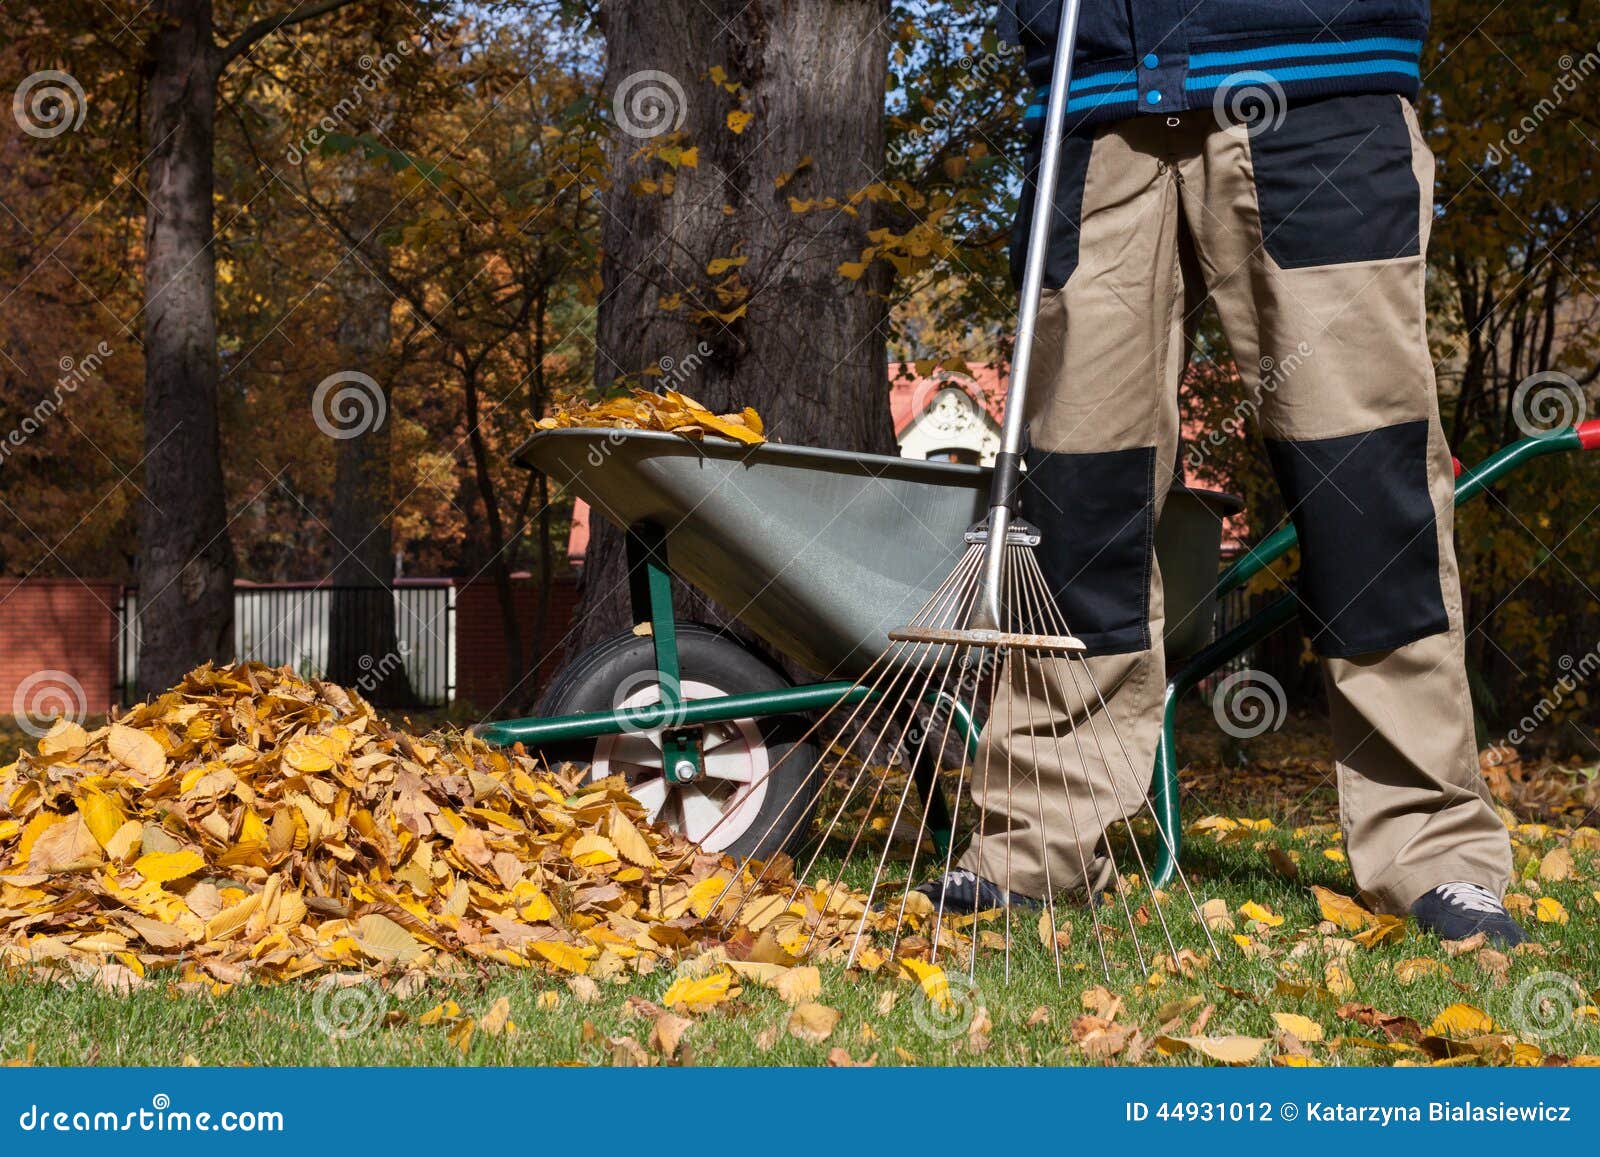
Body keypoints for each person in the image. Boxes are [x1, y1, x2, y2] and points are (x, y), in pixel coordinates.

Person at [914, 0, 1526, 946]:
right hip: (1097, 96)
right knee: (1079, 493)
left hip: (1319, 76)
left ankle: (1435, 847)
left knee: (1365, 483)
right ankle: (1037, 841)